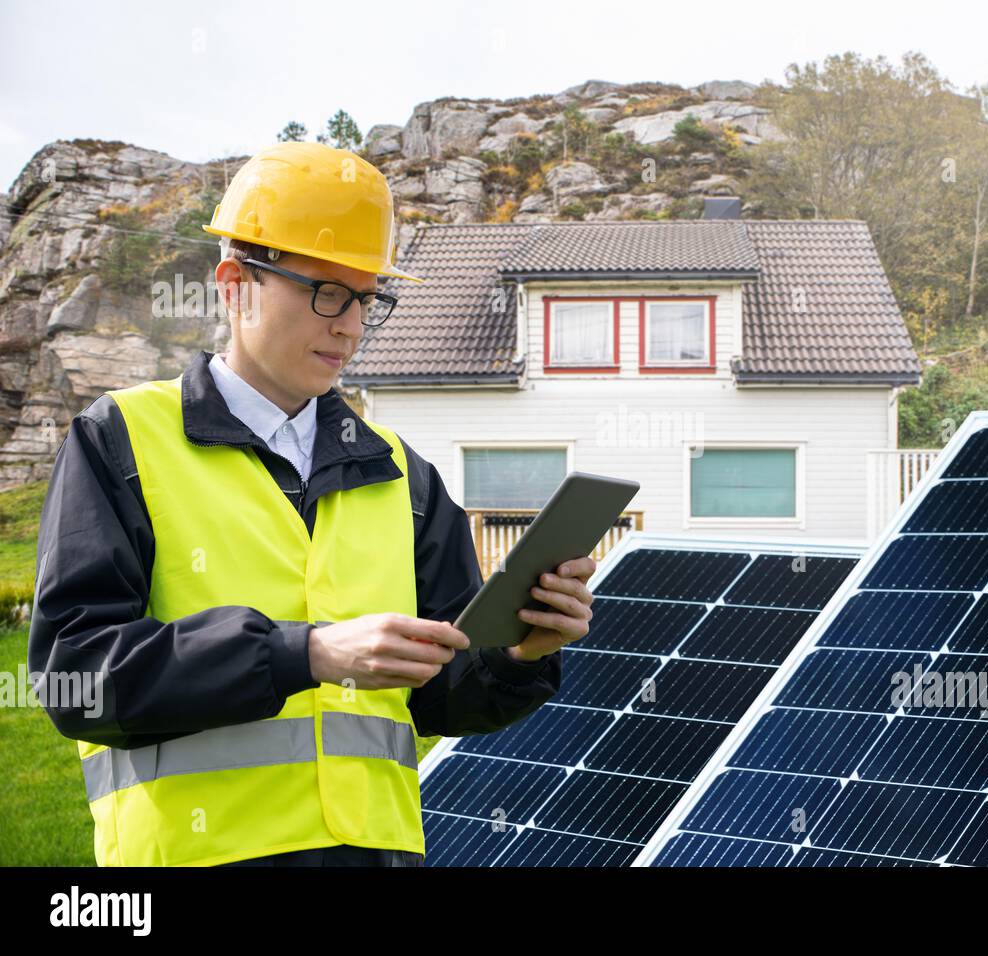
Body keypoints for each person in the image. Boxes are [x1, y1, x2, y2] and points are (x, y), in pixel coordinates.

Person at [27, 141, 596, 867]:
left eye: (368, 299)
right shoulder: (121, 440)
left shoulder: (402, 475)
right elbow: (77, 678)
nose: (351, 325)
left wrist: (519, 655)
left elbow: (442, 696)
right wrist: (307, 654)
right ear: (235, 285)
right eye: (328, 292)